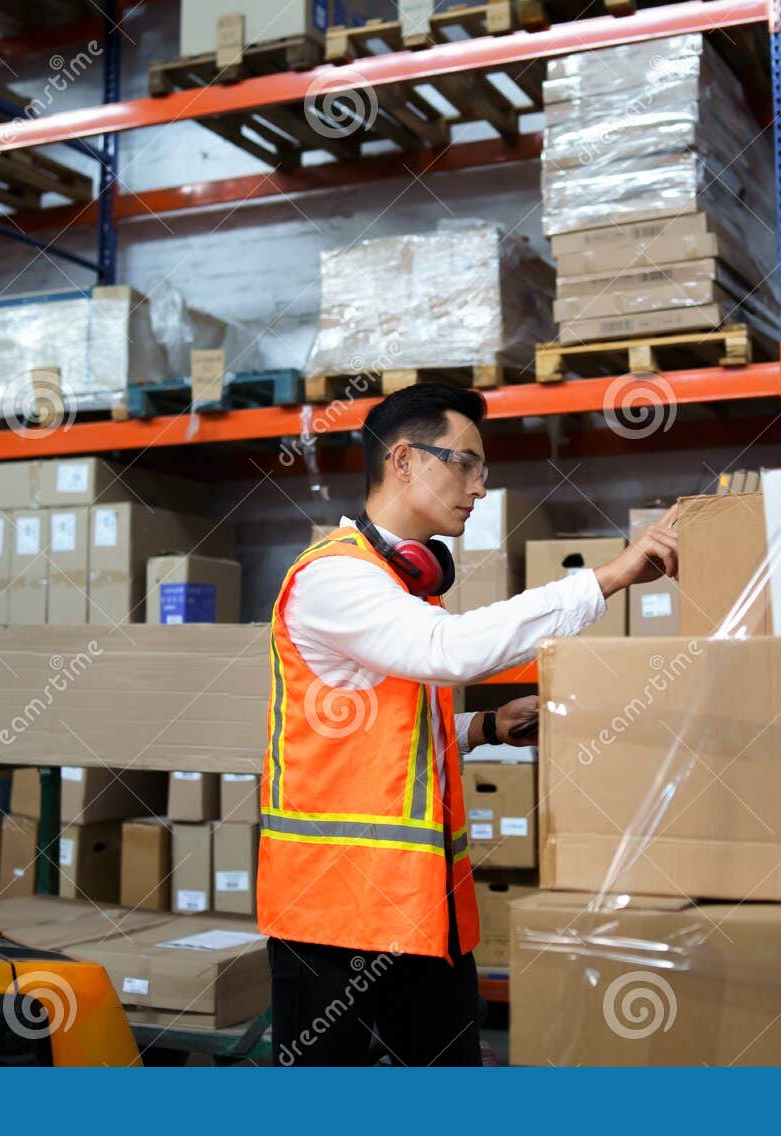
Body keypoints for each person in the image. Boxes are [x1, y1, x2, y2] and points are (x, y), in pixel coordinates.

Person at [258, 382, 679, 1067]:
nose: (479, 487)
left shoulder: (399, 587)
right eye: (466, 463)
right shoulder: (334, 580)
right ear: (403, 461)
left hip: (418, 913)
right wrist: (610, 575)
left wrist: (484, 725)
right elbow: (448, 650)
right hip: (332, 919)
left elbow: (379, 735)